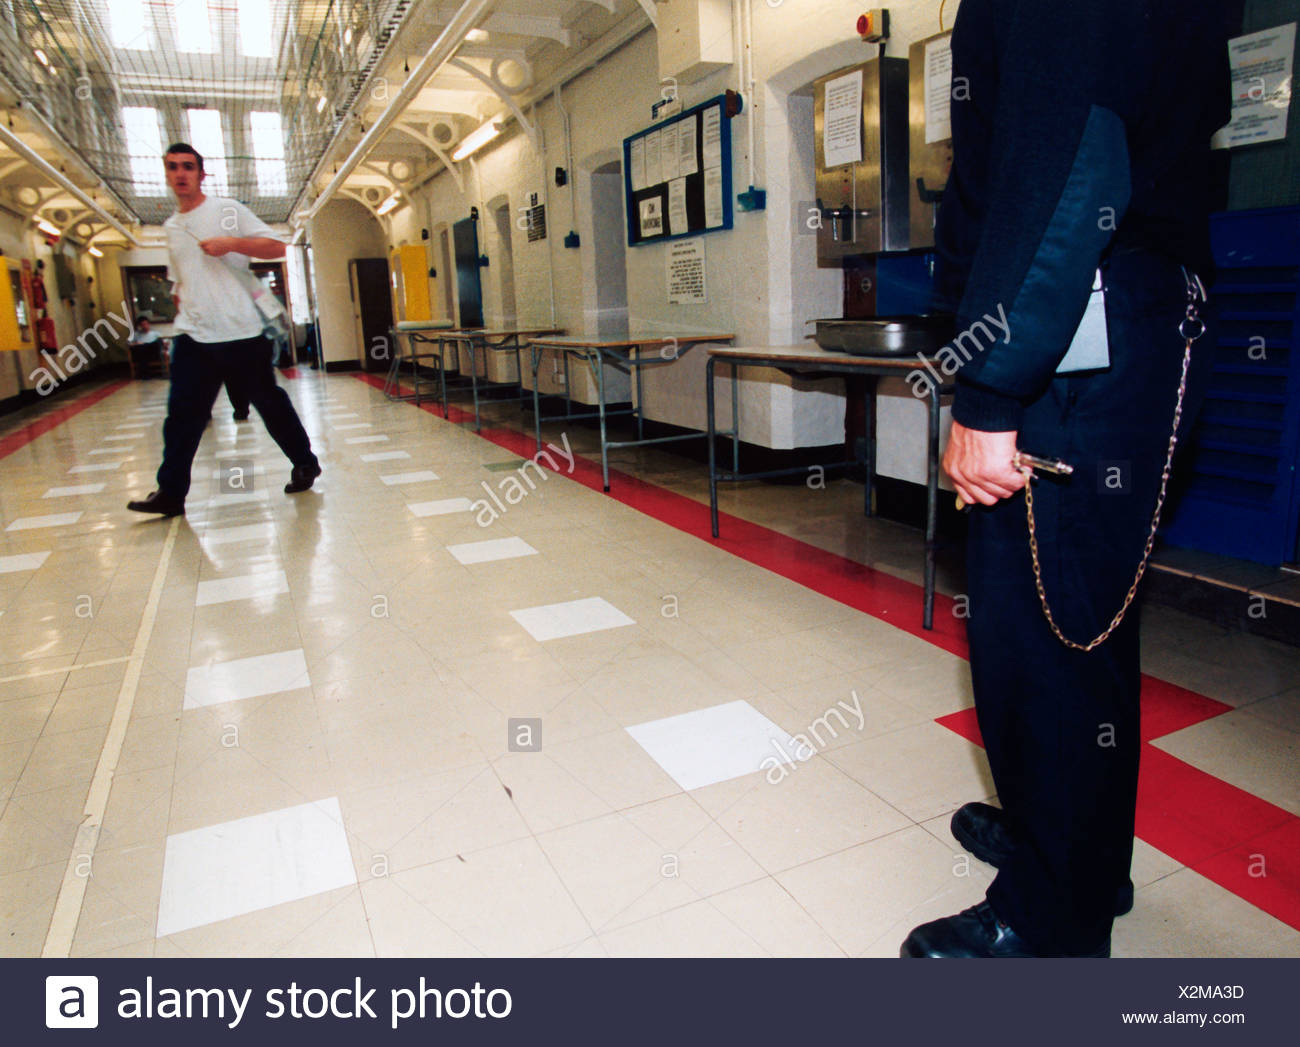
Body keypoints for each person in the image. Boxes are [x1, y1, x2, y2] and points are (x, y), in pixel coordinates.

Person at [899, 0, 1230, 958]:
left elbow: (1068, 164)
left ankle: (1053, 914)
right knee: (1085, 619)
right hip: (1113, 308)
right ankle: (1078, 844)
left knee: (1039, 628)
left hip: (1079, 321)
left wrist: (992, 390)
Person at [127, 143, 320, 517]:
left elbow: (276, 246)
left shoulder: (226, 210)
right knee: (182, 415)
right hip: (193, 336)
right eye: (173, 167)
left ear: (202, 174)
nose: (180, 173)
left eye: (187, 167)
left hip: (241, 332)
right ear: (166, 175)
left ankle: (305, 462)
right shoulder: (171, 227)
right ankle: (171, 494)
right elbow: (179, 280)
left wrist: (229, 243)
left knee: (268, 403)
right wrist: (182, 302)